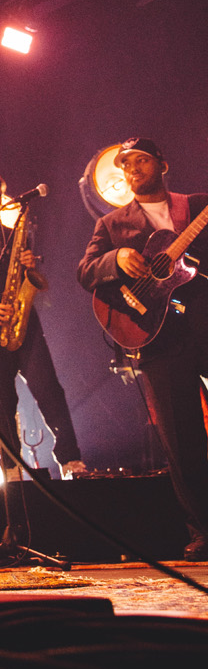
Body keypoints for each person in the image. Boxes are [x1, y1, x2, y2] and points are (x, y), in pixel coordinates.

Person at [77, 137, 208, 562]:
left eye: (140, 161)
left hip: (204, 319)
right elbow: (85, 271)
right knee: (181, 439)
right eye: (125, 164)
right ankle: (203, 531)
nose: (131, 169)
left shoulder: (198, 205)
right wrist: (115, 260)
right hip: (158, 337)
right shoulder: (112, 225)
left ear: (162, 165)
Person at [0, 172, 86, 480]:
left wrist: (29, 264)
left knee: (50, 389)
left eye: (0, 193)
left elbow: (32, 281)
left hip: (26, 320)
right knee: (3, 397)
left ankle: (70, 459)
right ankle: (10, 466)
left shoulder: (14, 234)